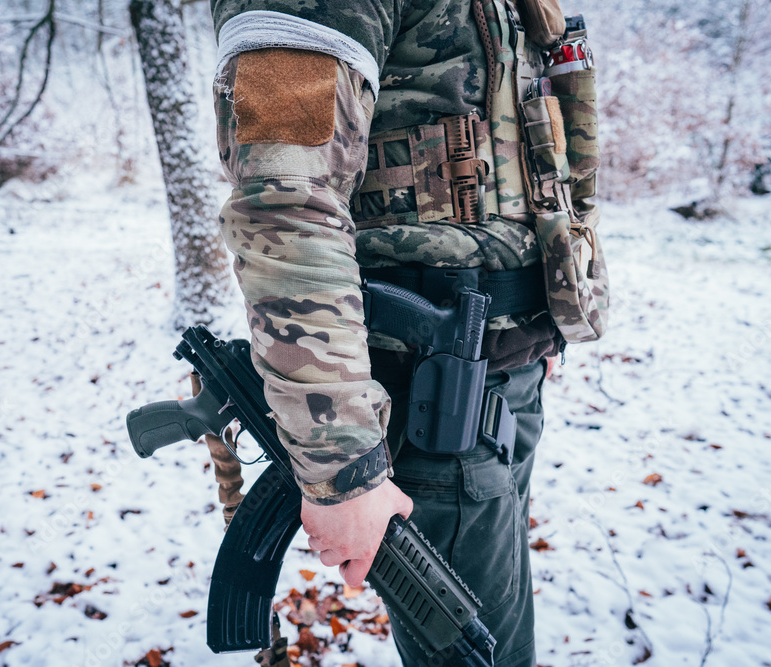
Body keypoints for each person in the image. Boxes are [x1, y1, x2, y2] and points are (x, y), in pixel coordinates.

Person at [209, 1, 575, 664]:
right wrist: (343, 465)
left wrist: (545, 320)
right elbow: (284, 203)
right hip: (423, 402)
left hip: (505, 378)